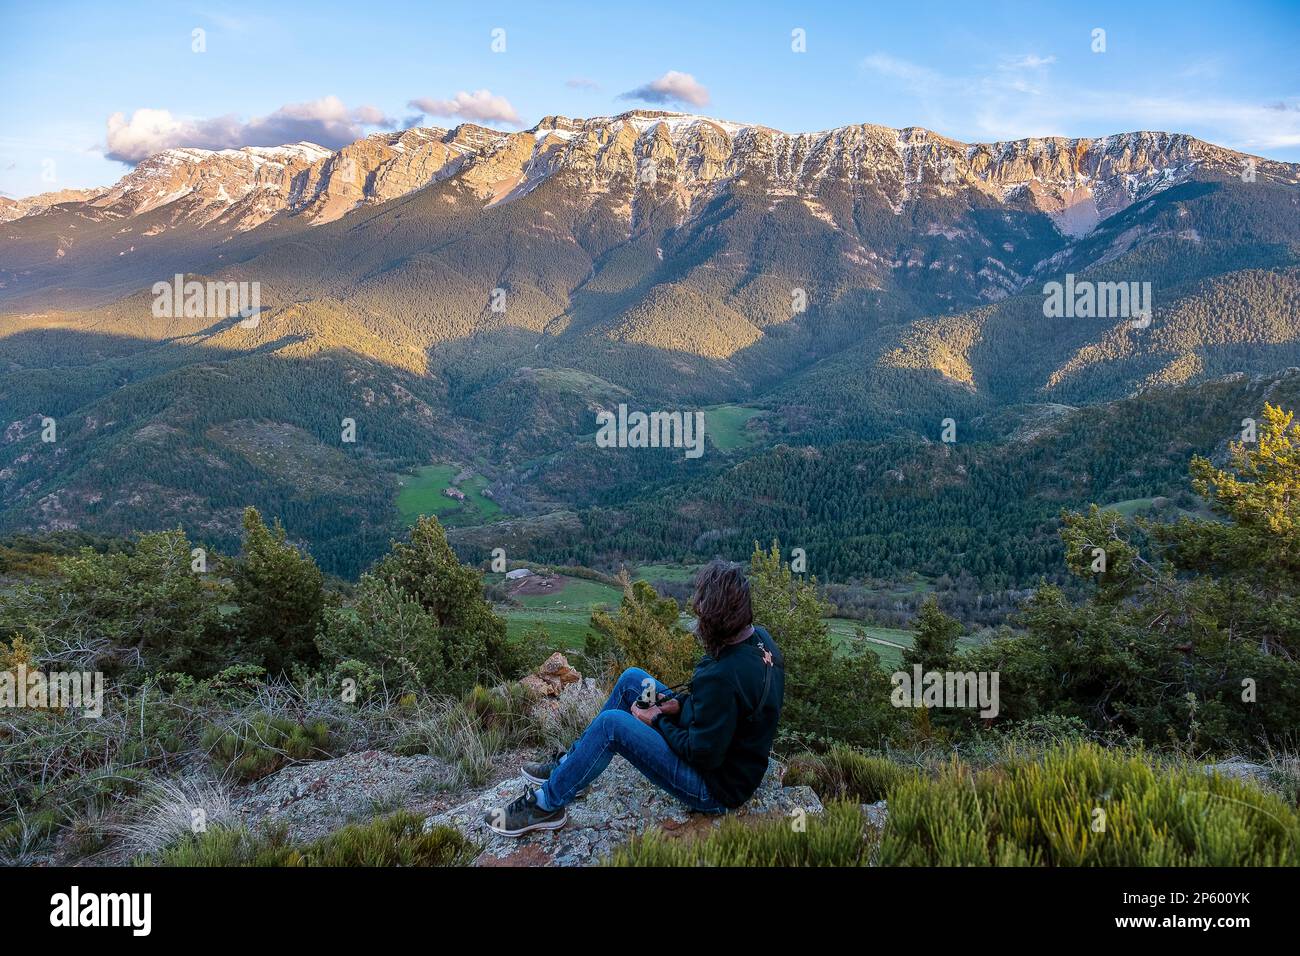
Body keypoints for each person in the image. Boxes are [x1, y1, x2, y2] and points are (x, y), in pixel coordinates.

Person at [485, 559, 785, 836]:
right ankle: (571, 766)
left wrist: (656, 720)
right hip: (726, 753)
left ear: (718, 619)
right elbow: (720, 708)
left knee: (611, 725)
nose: (697, 618)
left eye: (703, 612)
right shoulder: (758, 639)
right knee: (632, 679)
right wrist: (676, 704)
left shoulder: (723, 678)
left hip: (713, 788)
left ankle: (545, 805)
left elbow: (701, 754)